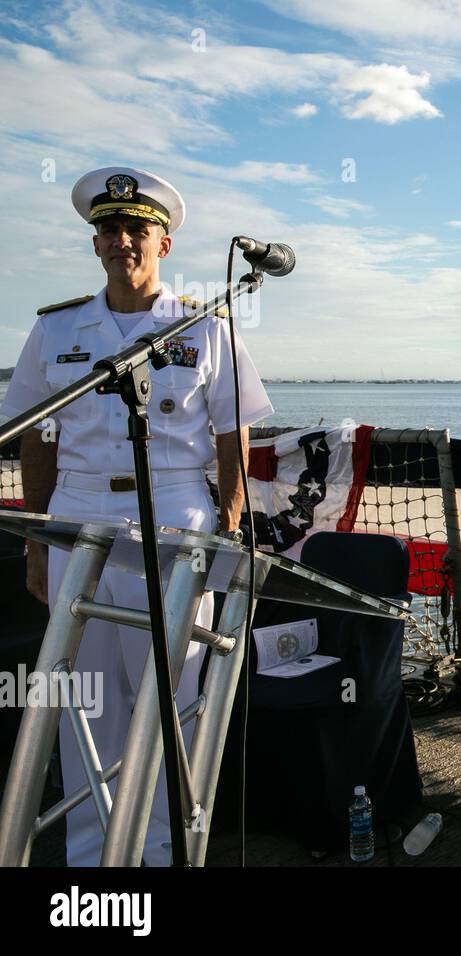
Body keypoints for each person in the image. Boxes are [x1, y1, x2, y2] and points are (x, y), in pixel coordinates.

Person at [0, 165, 274, 865]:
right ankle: (94, 863)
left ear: (165, 244)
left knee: (172, 695)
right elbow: (37, 435)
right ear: (95, 244)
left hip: (176, 511)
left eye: (136, 229)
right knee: (87, 703)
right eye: (109, 229)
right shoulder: (58, 329)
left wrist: (231, 529)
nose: (122, 240)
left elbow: (231, 440)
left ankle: (163, 853)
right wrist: (37, 540)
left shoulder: (202, 327)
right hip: (77, 514)